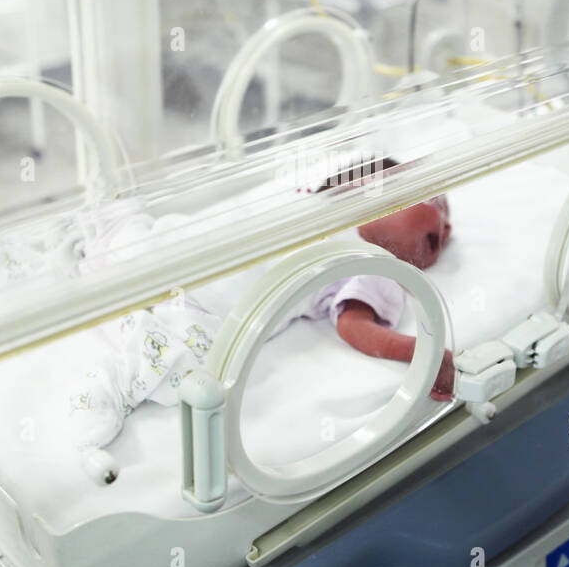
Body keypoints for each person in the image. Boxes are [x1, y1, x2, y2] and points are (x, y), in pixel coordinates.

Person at [65, 157, 456, 457]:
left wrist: (419, 350)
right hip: (175, 243)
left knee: (194, 362)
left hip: (210, 305)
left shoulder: (372, 264)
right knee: (134, 235)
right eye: (436, 202)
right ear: (370, 182)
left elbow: (355, 324)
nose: (447, 227)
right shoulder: (309, 194)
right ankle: (92, 239)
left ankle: (111, 384)